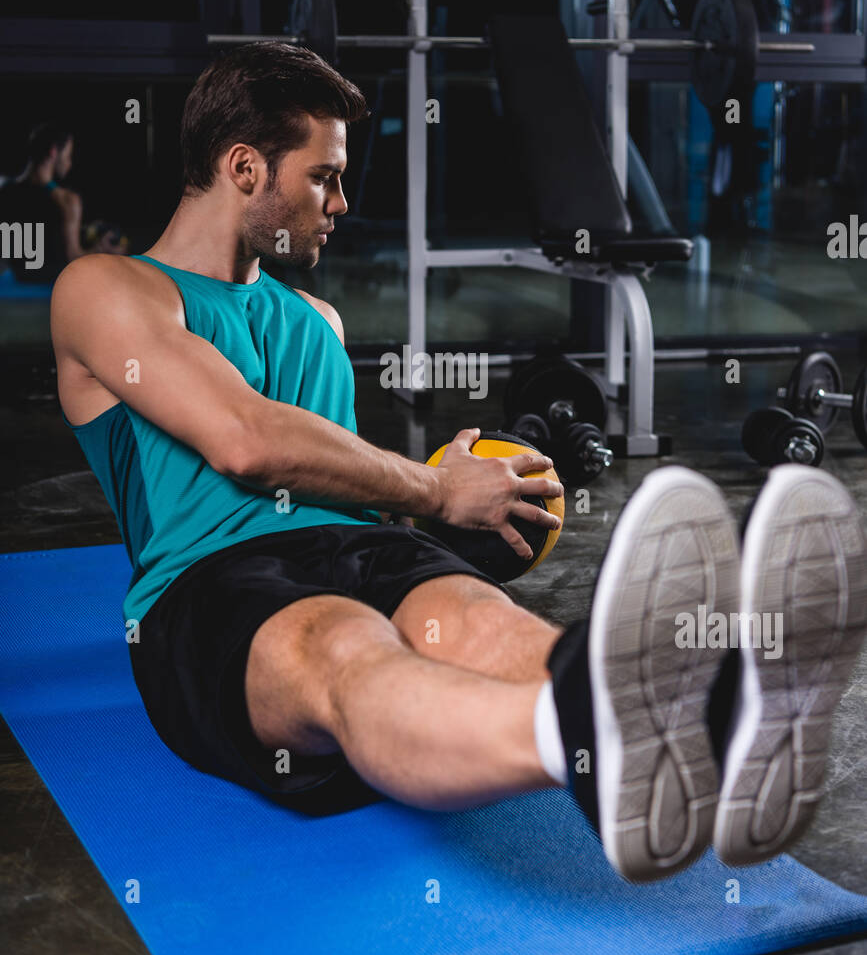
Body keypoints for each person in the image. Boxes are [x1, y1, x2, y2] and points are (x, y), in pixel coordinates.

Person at [49, 43, 867, 884]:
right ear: (245, 167)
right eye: (323, 176)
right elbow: (248, 443)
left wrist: (457, 502)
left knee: (485, 626)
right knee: (345, 646)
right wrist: (437, 489)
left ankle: (709, 723)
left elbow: (327, 476)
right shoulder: (109, 289)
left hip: (358, 545)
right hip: (207, 583)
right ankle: (592, 743)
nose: (340, 201)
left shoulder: (315, 320)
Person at [0, 122, 127, 283]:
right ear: (53, 152)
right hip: (50, 284)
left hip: (14, 280)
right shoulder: (67, 200)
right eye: (68, 156)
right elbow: (74, 258)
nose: (69, 163)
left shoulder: (5, 192)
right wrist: (102, 250)